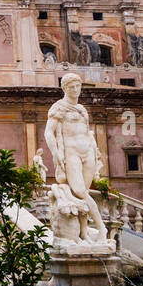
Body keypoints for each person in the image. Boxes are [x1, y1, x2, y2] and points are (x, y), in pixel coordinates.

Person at [44, 72, 107, 240]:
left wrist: (95, 150)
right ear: (64, 88)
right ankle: (102, 227)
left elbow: (87, 132)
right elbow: (48, 132)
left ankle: (83, 232)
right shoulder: (58, 107)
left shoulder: (81, 109)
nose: (75, 90)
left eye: (78, 86)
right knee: (79, 191)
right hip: (71, 153)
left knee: (82, 192)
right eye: (71, 87)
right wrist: (56, 153)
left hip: (88, 153)